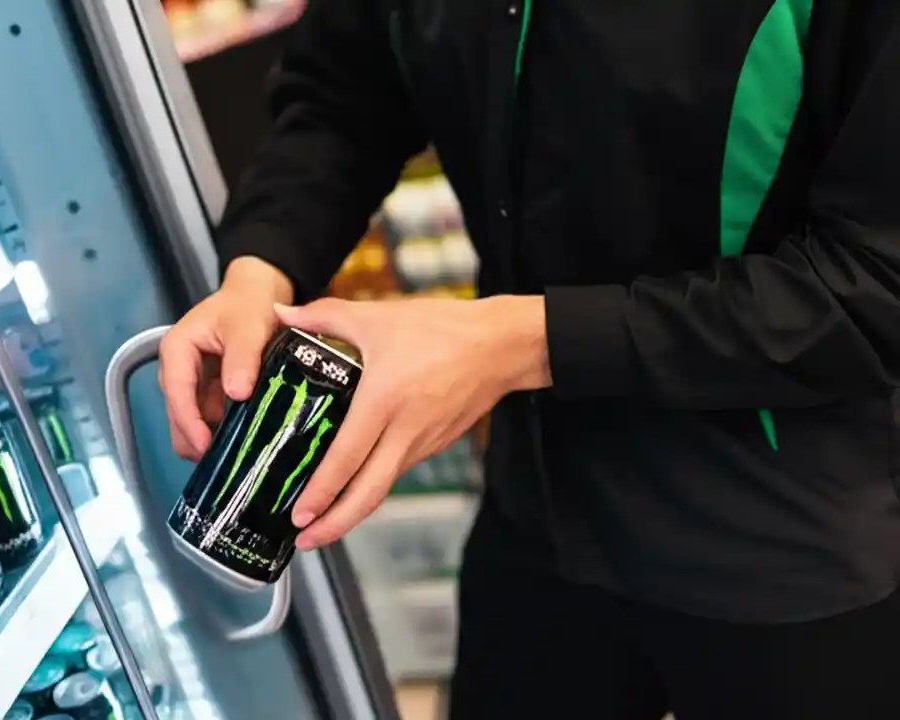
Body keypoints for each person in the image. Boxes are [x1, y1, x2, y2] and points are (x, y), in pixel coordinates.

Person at [158, 2, 900, 718]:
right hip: (541, 506)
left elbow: (876, 284)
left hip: (786, 541)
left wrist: (518, 342)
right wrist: (261, 267)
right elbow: (346, 92)